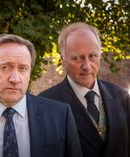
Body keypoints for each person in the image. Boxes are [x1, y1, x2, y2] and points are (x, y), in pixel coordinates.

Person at [39, 22, 130, 157]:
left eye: (92, 56)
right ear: (63, 60)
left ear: (100, 55)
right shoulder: (45, 104)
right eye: (77, 58)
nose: (87, 66)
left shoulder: (121, 96)